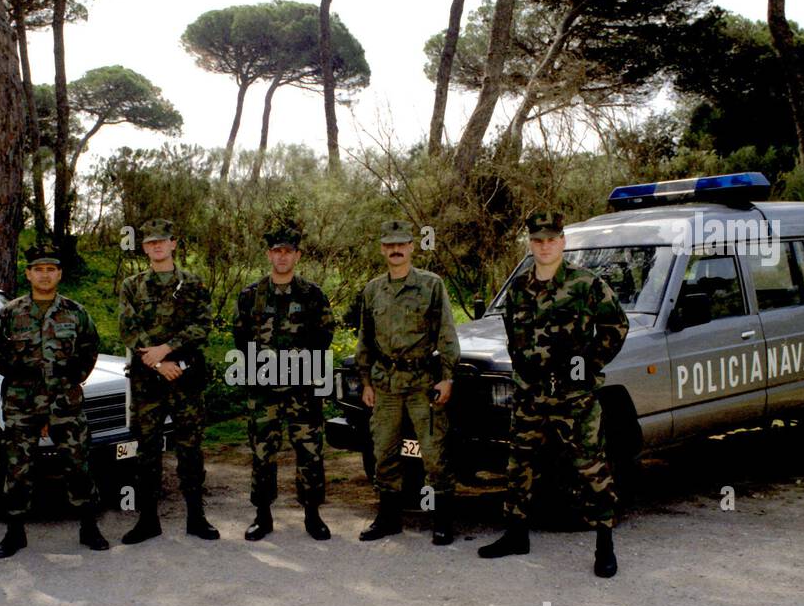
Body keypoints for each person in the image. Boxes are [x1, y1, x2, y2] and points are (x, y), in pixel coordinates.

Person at [479, 211, 630, 577]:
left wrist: (586, 364)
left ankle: (604, 544)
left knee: (591, 467)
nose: (544, 246)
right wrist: (525, 371)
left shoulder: (585, 284)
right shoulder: (517, 289)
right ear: (530, 244)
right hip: (531, 394)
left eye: (550, 239)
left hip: (573, 397)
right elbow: (514, 337)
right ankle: (516, 533)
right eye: (537, 240)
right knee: (519, 465)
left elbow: (617, 326)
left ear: (562, 242)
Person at [0, 242, 109, 559]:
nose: (44, 275)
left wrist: (69, 379)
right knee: (17, 469)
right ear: (28, 274)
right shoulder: (10, 314)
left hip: (65, 403)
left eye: (50, 270)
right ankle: (15, 532)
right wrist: (24, 375)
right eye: (38, 270)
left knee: (78, 464)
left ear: (59, 274)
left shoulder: (76, 312)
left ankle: (89, 526)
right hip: (21, 404)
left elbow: (89, 350)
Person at [354, 220, 460, 545]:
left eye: (401, 244)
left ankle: (442, 520)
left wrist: (448, 377)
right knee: (384, 451)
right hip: (385, 385)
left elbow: (446, 333)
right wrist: (366, 381)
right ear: (382, 248)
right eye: (389, 245)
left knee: (432, 452)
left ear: (412, 247)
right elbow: (365, 340)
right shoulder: (373, 290)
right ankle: (388, 518)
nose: (395, 250)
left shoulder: (431, 285)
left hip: (421, 384)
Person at [232, 219, 336, 541]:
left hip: (302, 390)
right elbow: (240, 337)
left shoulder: (312, 295)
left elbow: (325, 335)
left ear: (297, 256)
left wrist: (298, 367)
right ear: (268, 255)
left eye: (287, 251)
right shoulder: (252, 296)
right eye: (276, 251)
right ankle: (262, 515)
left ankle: (312, 515)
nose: (281, 257)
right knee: (263, 452)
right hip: (264, 390)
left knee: (309, 452)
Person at [118, 219, 219, 544]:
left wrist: (168, 349)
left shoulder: (192, 284)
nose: (157, 246)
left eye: (162, 241)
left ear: (174, 243)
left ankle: (196, 517)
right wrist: (159, 361)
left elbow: (203, 325)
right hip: (148, 382)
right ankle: (148, 520)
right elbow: (129, 328)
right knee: (146, 451)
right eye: (150, 242)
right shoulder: (132, 285)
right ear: (144, 247)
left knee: (190, 449)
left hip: (185, 379)